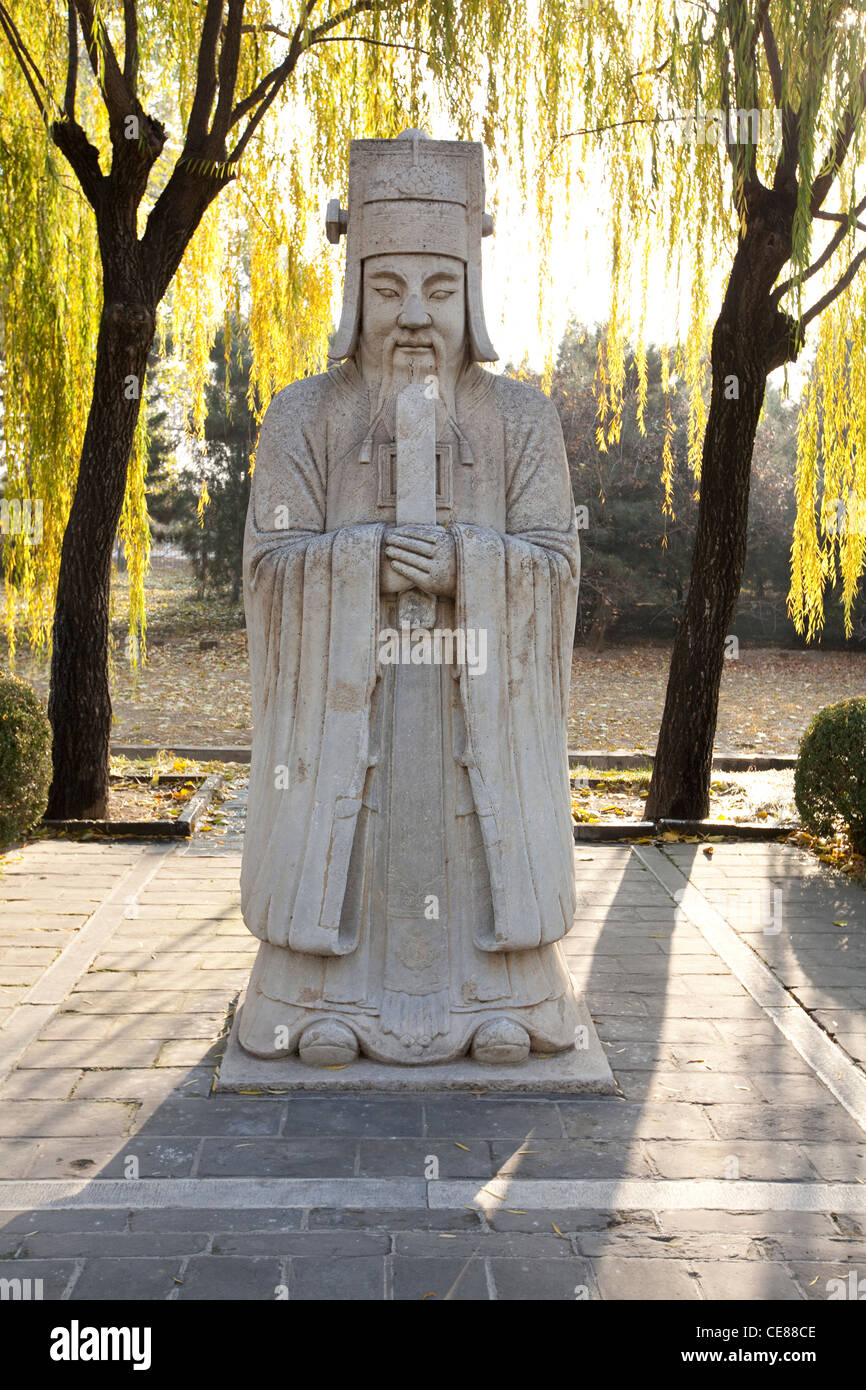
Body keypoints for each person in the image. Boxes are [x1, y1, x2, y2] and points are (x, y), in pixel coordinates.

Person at [239, 131, 581, 1066]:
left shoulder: (521, 421)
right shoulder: (302, 418)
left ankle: (500, 989)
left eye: (440, 287)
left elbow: (553, 569)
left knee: (470, 828)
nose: (415, 316)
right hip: (356, 710)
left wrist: (471, 566)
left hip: (475, 703)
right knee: (358, 813)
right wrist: (359, 562)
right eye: (388, 289)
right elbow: (270, 572)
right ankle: (320, 995)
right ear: (354, 293)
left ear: (472, 290)